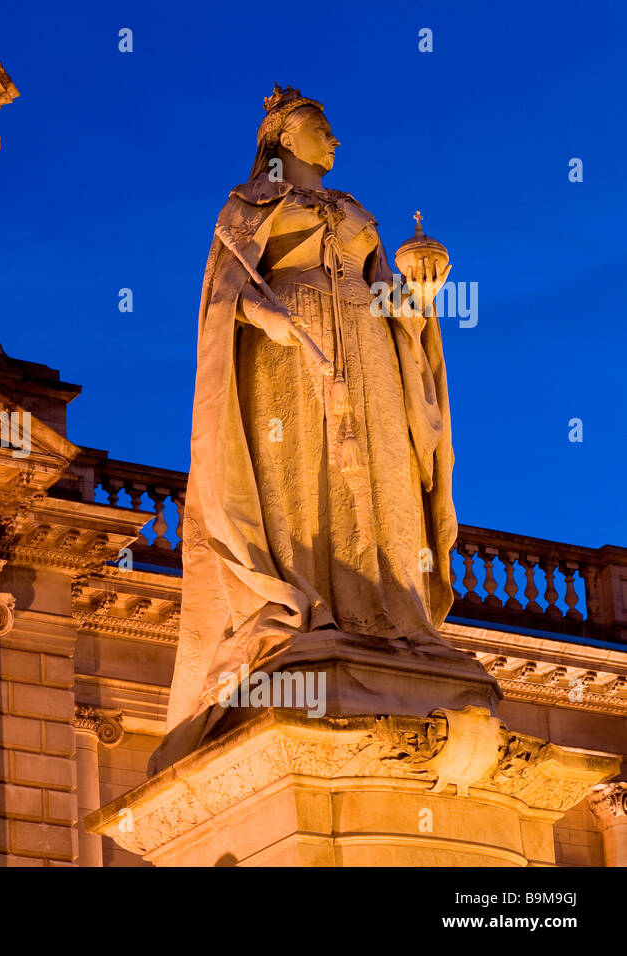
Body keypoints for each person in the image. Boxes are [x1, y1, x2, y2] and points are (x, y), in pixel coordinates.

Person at [168, 86, 456, 730]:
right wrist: (261, 313)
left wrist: (421, 293)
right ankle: (312, 605)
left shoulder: (356, 211)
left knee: (384, 467)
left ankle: (391, 611)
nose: (335, 140)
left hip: (367, 343)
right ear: (285, 139)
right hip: (291, 347)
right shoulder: (247, 206)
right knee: (303, 471)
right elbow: (224, 294)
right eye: (323, 128)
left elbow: (390, 298)